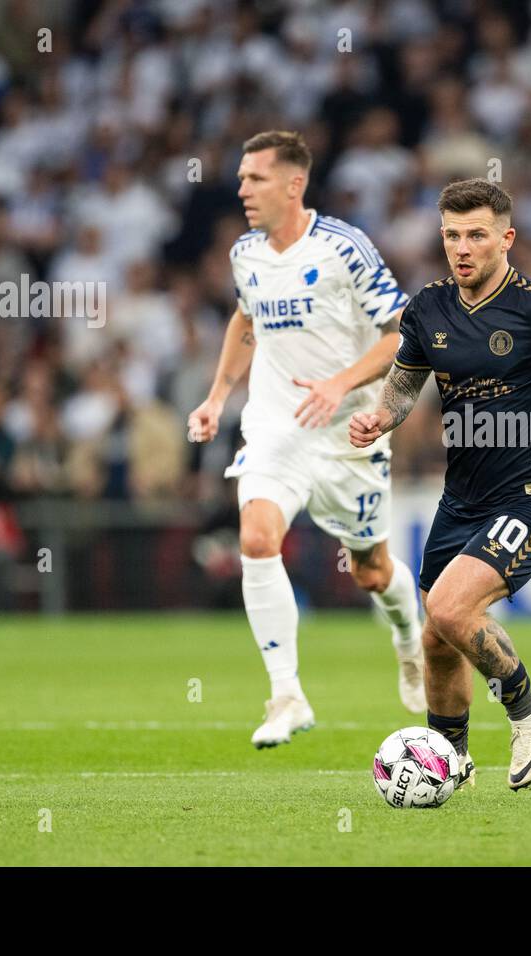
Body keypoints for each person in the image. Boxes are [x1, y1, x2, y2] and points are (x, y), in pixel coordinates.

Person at [350, 179, 531, 790]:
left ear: (506, 239)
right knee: (435, 638)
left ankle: (528, 714)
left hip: (530, 499)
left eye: (476, 235)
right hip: (461, 501)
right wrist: (384, 414)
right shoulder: (429, 306)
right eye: (452, 235)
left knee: (451, 608)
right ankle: (450, 762)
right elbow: (407, 381)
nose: (462, 247)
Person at [188, 131, 423, 748]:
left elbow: (403, 334)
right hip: (275, 428)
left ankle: (408, 638)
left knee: (371, 571)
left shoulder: (345, 247)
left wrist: (340, 383)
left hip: (348, 433)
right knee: (257, 538)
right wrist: (216, 397)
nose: (242, 190)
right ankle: (286, 694)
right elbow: (246, 319)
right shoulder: (245, 254)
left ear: (294, 184)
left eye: (256, 178)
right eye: (240, 178)